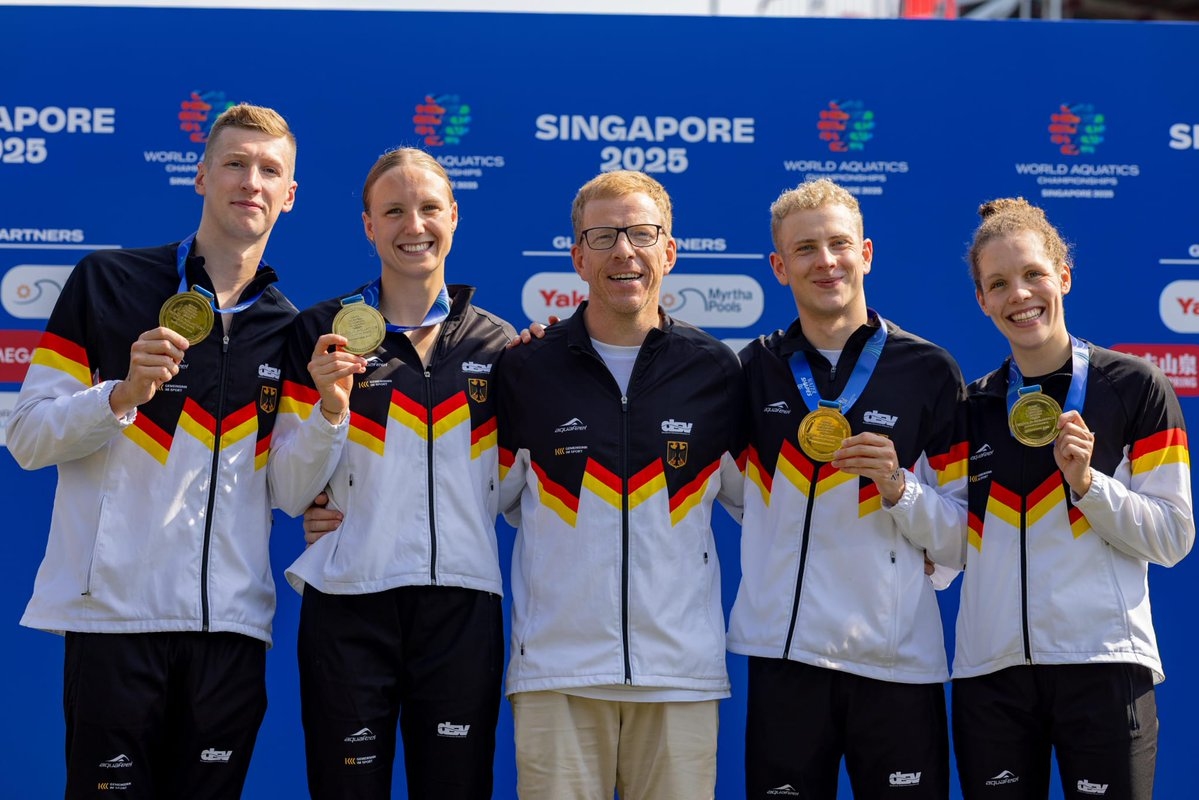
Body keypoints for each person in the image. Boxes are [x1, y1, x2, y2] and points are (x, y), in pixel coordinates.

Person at [7, 103, 298, 799]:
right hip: (115, 623)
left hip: (229, 630)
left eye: (268, 170)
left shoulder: (291, 330)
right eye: (234, 163)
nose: (249, 181)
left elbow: (294, 478)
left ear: (289, 195)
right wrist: (120, 393)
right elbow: (27, 438)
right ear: (200, 176)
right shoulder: (105, 283)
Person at [267, 147, 516, 800]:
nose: (414, 225)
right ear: (368, 225)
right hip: (349, 605)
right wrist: (329, 408)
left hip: (462, 606)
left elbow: (520, 492)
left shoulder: (499, 344)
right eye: (394, 210)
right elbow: (289, 491)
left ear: (454, 217)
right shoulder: (321, 333)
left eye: (429, 208)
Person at [493, 169, 744, 800]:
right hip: (558, 675)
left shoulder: (717, 371)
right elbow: (463, 500)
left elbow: (774, 510)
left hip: (679, 678)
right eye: (603, 236)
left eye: (641, 233)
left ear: (670, 250)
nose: (623, 251)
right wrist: (343, 503)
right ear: (577, 256)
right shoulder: (524, 369)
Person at [726, 178, 967, 800]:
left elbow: (966, 538)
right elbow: (728, 492)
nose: (825, 261)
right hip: (786, 658)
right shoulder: (751, 370)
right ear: (780, 267)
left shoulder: (929, 370)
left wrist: (898, 487)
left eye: (838, 244)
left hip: (896, 662)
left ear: (866, 253)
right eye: (805, 249)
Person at [951, 197, 1194, 800]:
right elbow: (948, 550)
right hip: (993, 676)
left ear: (1063, 275)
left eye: (1033, 273)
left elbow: (1172, 538)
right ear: (981, 300)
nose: (1020, 294)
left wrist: (1089, 485)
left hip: (1104, 666)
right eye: (999, 283)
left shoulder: (1136, 386)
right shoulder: (972, 407)